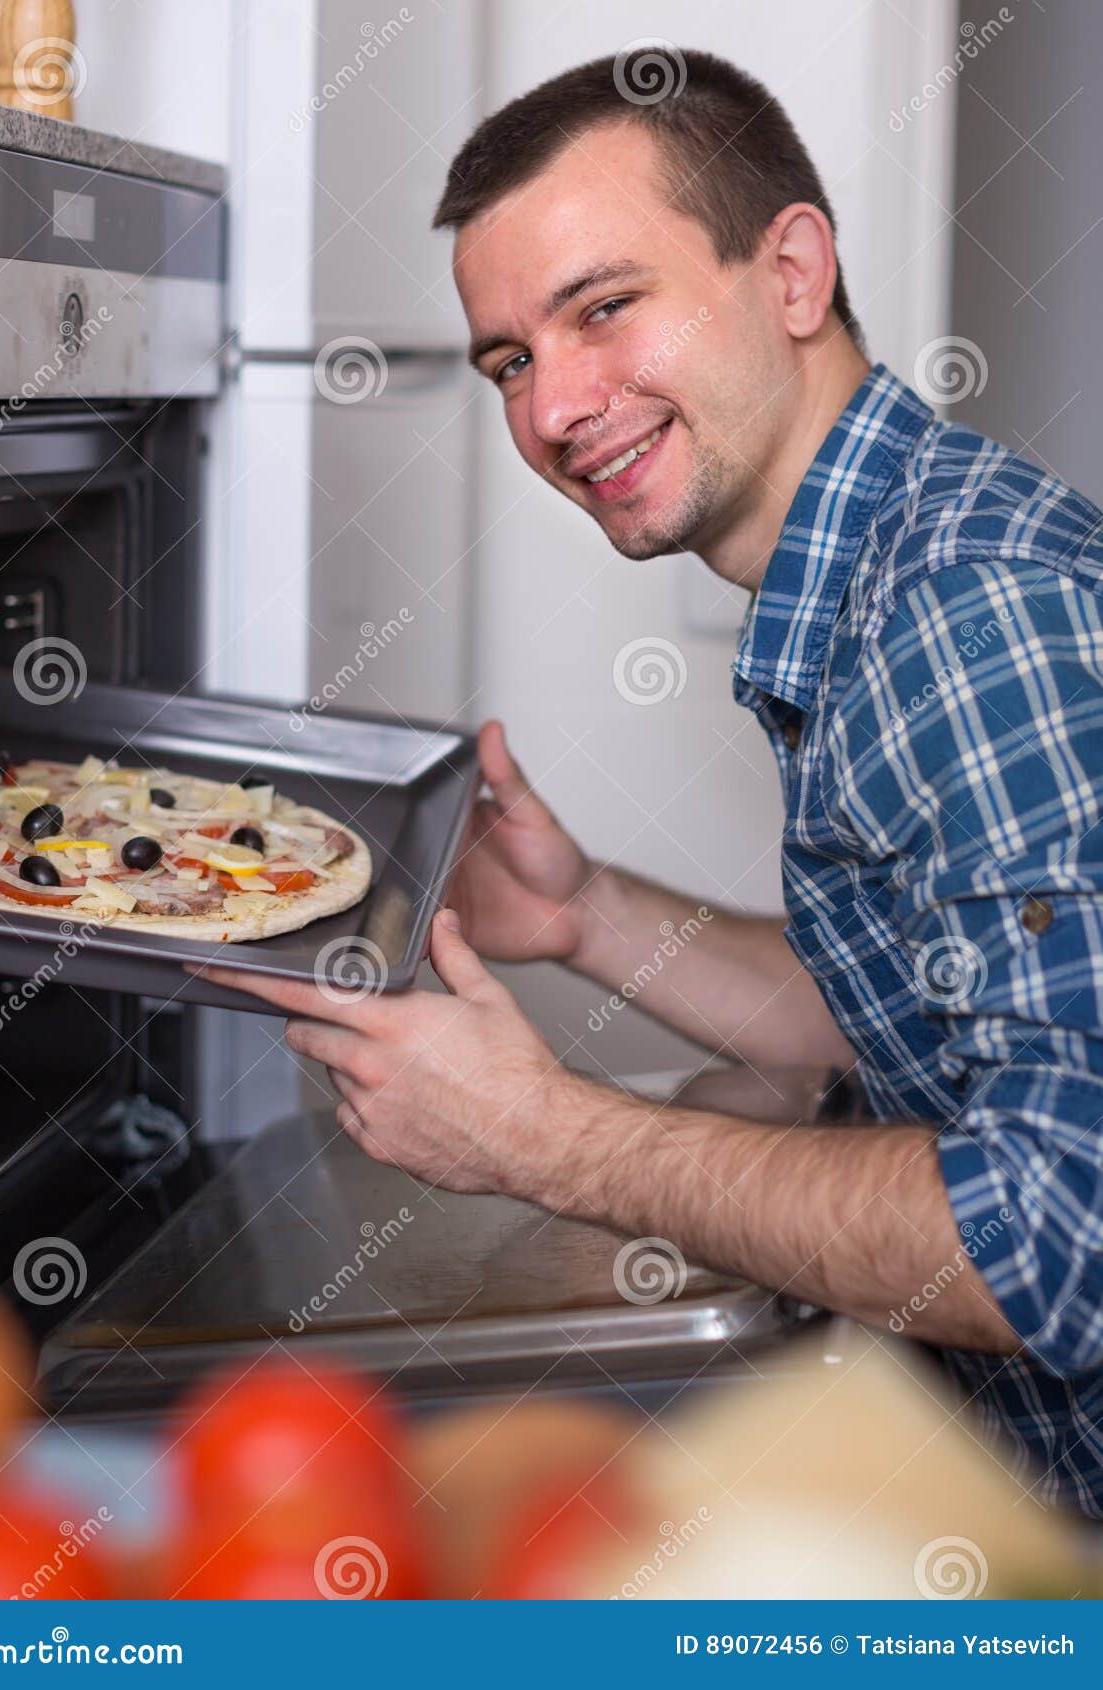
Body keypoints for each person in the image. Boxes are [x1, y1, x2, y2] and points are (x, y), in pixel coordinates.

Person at [200, 51, 1103, 1517]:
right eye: (509, 361)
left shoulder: (964, 610)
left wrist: (545, 1137)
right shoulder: (874, 566)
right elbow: (932, 1019)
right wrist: (590, 916)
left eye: (601, 308)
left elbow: (1060, 1232)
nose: (555, 408)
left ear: (793, 273)